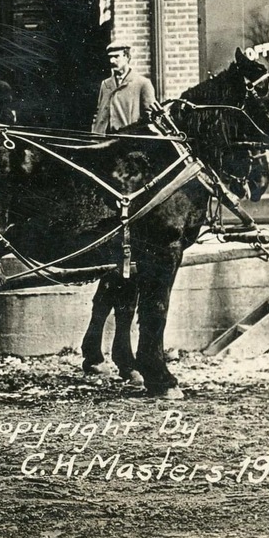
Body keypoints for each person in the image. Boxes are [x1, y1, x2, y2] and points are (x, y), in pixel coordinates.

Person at [81, 38, 160, 379]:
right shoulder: (105, 85)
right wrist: (93, 143)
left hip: (132, 153)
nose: (114, 61)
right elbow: (100, 115)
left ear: (128, 57)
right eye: (110, 56)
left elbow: (152, 119)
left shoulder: (141, 84)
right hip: (107, 150)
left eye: (118, 56)